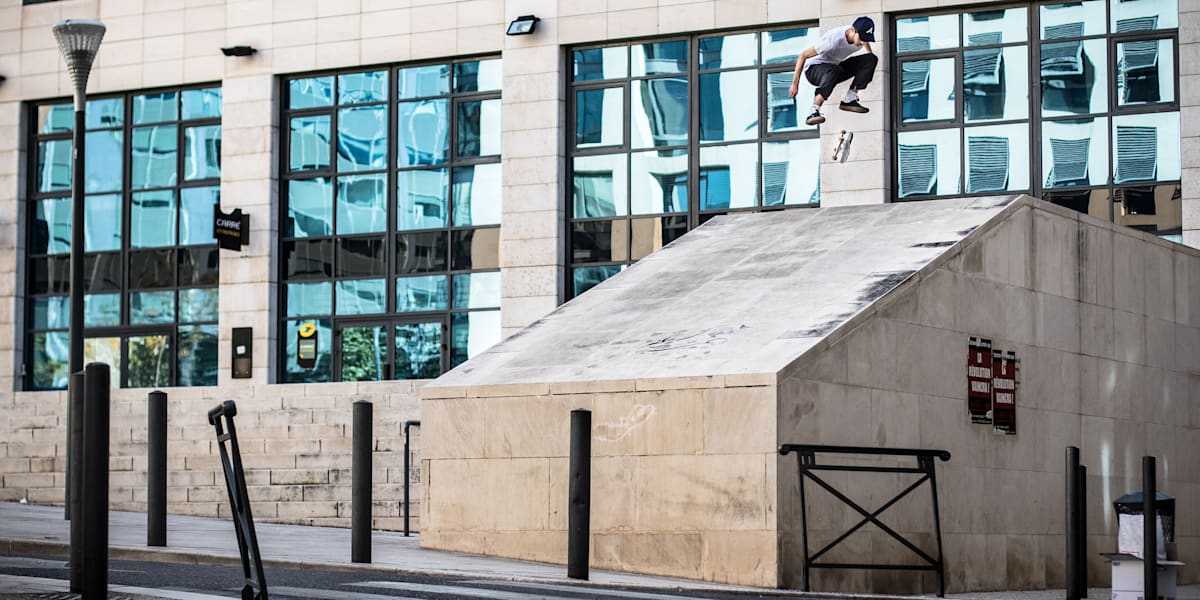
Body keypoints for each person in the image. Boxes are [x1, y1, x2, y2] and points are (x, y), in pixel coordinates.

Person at [788, 16, 879, 126]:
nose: (862, 42)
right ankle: (813, 111)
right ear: (853, 30)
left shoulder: (860, 39)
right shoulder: (832, 40)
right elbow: (803, 56)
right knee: (835, 70)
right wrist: (795, 84)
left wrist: (869, 58)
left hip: (834, 69)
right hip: (814, 70)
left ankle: (850, 99)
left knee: (871, 58)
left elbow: (865, 44)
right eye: (861, 38)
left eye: (866, 39)